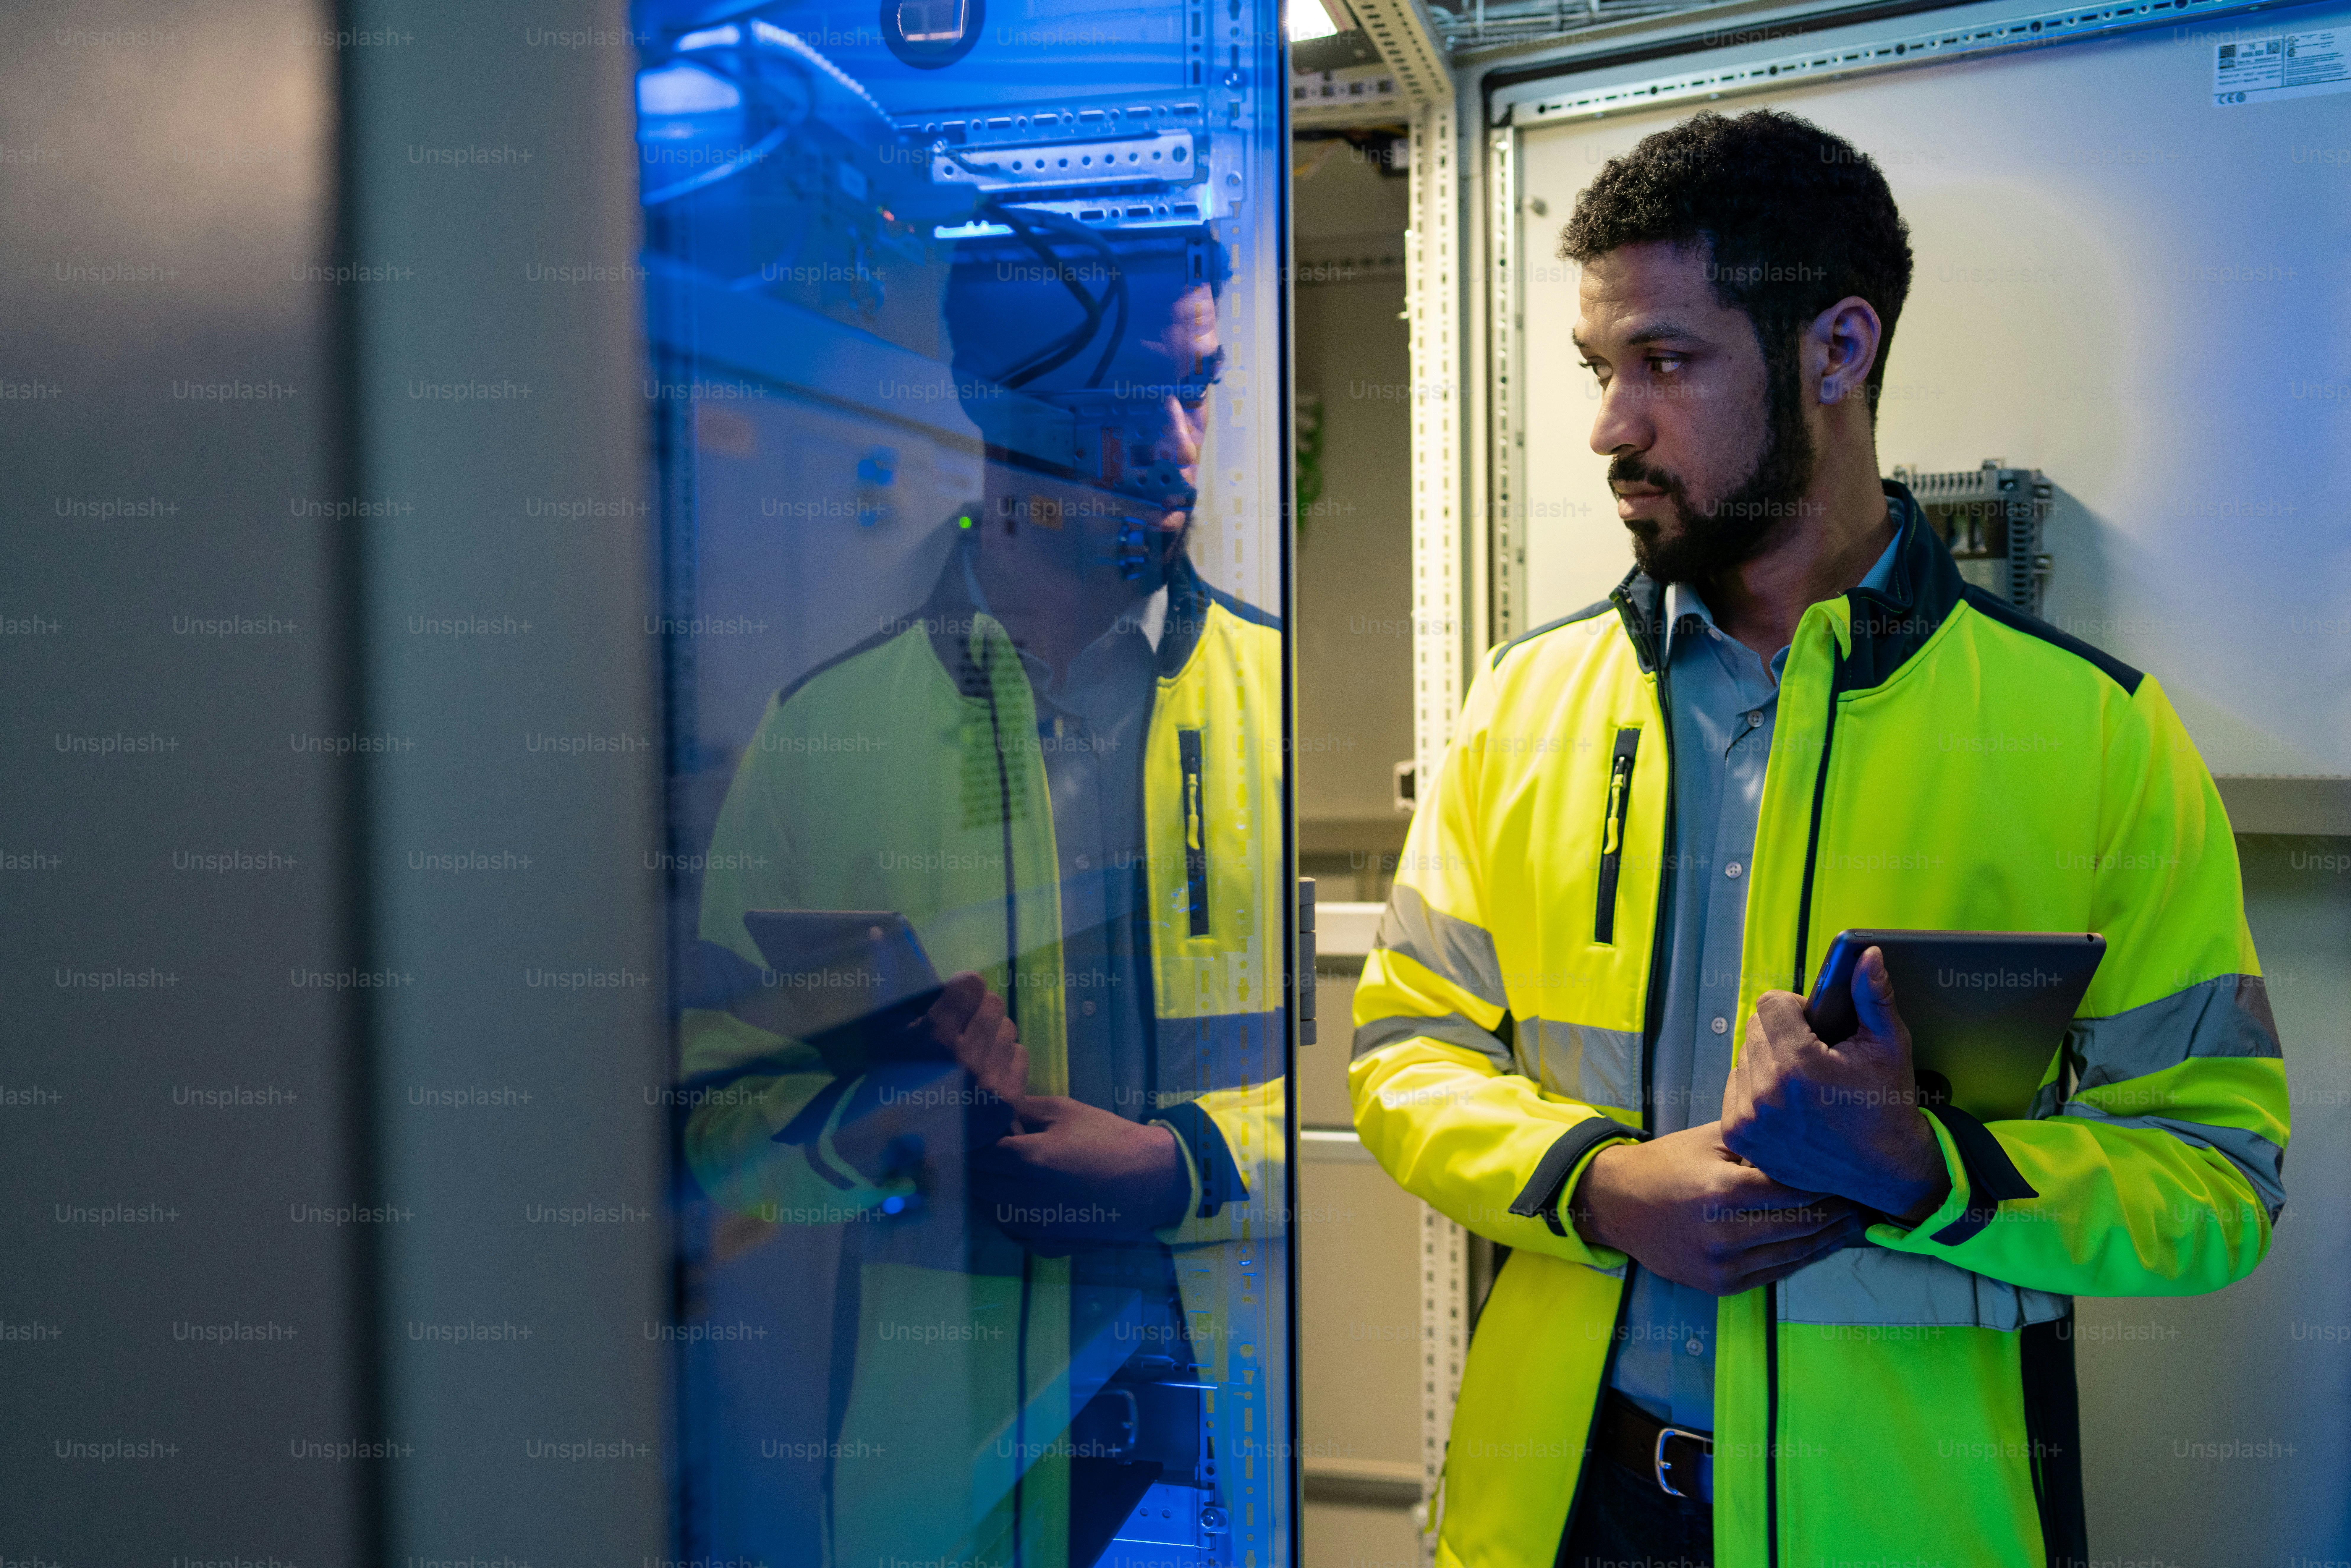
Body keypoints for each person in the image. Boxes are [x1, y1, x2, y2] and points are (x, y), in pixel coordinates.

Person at [1349, 109, 2286, 1568]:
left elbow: (2216, 1182)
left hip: (1901, 1532)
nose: (1608, 425)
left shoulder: (2094, 736)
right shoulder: (1518, 705)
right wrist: (1596, 1183)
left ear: (1834, 353)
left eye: (1663, 362)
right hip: (1561, 1516)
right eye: (1602, 371)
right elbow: (1404, 1057)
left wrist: (1929, 1172)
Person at [677, 218, 1284, 1568]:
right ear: (1001, 409)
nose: (1183, 450)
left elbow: (1388, 1091)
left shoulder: (1287, 707)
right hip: (933, 1470)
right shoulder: (819, 734)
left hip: (1215, 1427)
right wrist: (872, 1138)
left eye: (1201, 391)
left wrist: (1180, 1163)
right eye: (1135, 402)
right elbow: (710, 1120)